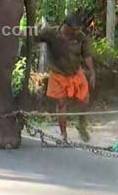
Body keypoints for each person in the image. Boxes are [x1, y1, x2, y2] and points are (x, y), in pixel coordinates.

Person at [36, 13, 96, 142]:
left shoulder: (81, 37)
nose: (77, 32)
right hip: (58, 74)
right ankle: (63, 135)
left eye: (79, 29)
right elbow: (33, 37)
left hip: (75, 73)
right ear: (66, 26)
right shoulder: (51, 33)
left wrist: (92, 71)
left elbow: (86, 55)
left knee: (85, 99)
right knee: (61, 104)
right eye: (74, 30)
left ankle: (81, 123)